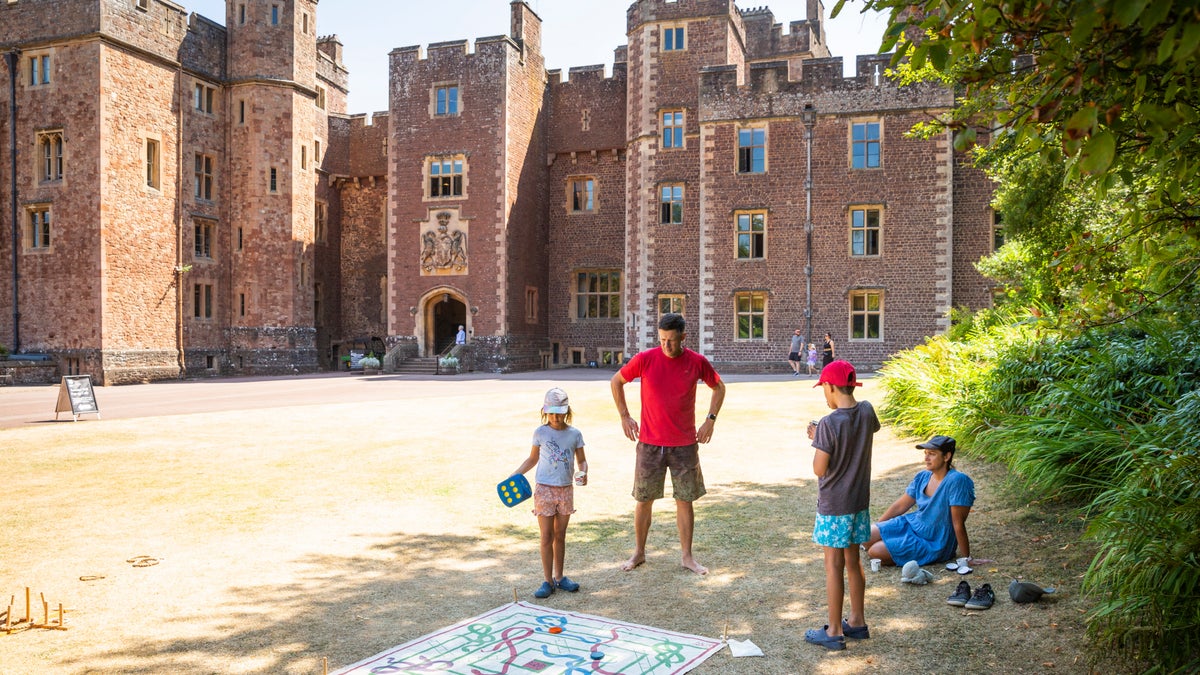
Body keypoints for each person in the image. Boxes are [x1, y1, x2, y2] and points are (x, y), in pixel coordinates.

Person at [611, 313, 725, 575]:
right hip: (649, 444)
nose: (666, 346)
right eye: (662, 340)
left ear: (683, 337)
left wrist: (710, 420)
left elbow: (719, 388)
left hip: (684, 445)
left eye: (671, 341)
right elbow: (616, 381)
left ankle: (687, 557)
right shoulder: (645, 359)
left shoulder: (696, 362)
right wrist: (624, 416)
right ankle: (639, 553)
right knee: (643, 500)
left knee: (685, 500)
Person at [804, 360, 880, 651]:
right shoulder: (867, 410)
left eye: (824, 388)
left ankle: (834, 630)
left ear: (831, 386)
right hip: (859, 502)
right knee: (853, 562)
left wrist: (817, 438)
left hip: (834, 505)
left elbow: (819, 469)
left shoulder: (828, 423)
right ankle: (857, 621)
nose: (824, 394)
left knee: (833, 566)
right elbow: (859, 434)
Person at [509, 387, 589, 599]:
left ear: (567, 411)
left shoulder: (575, 434)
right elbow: (532, 459)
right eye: (551, 413)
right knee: (546, 536)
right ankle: (547, 581)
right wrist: (515, 474)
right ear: (545, 412)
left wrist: (583, 472)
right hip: (544, 489)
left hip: (565, 490)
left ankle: (560, 577)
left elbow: (581, 460)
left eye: (559, 412)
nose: (555, 417)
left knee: (560, 535)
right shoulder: (540, 433)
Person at [865, 435, 975, 567]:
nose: (926, 459)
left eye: (932, 454)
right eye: (926, 453)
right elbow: (900, 506)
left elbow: (958, 523)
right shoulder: (923, 476)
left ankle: (892, 545)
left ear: (946, 457)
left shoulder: (957, 481)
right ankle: (890, 541)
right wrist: (882, 527)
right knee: (865, 537)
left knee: (875, 551)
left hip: (932, 541)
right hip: (912, 524)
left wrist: (967, 558)